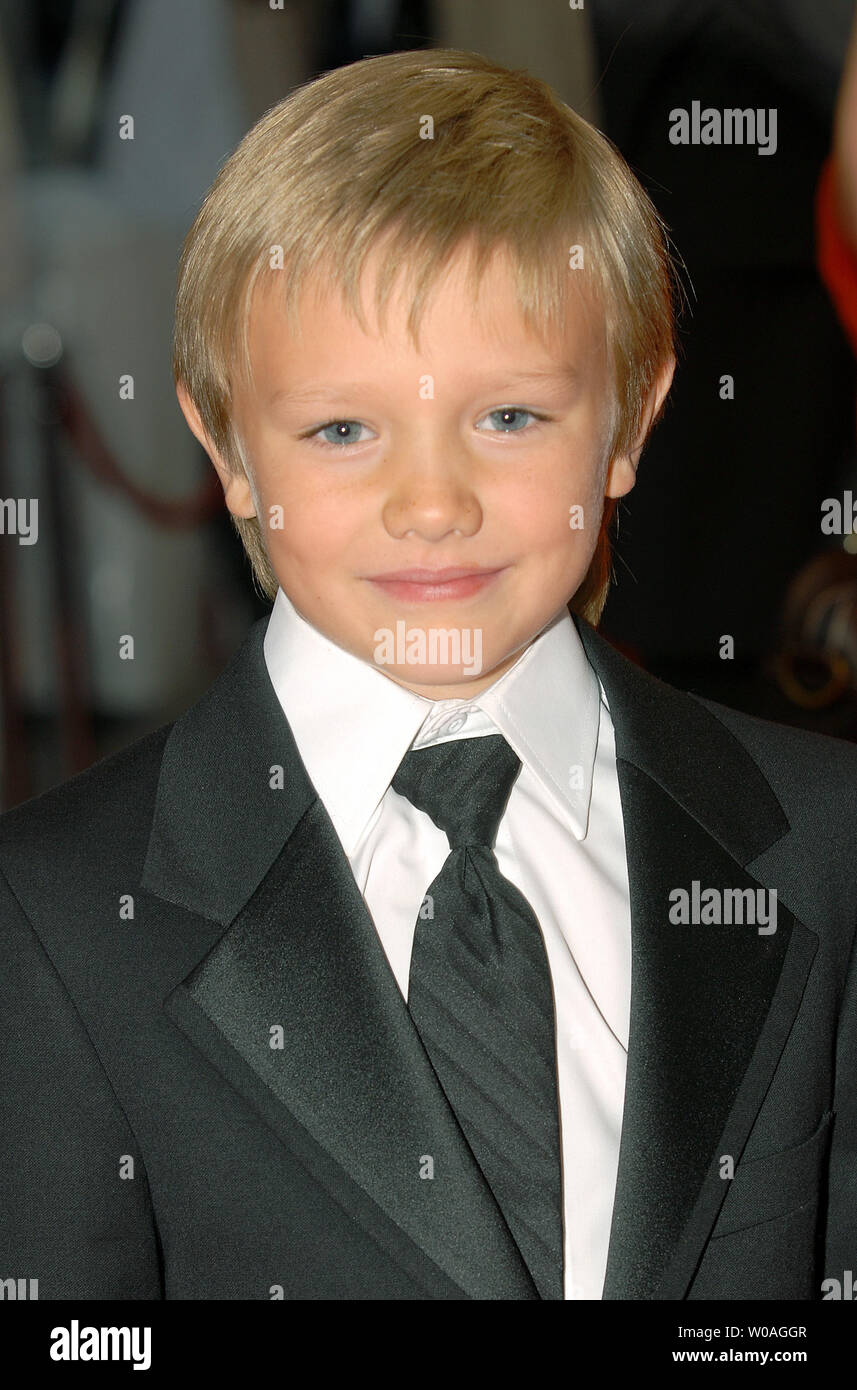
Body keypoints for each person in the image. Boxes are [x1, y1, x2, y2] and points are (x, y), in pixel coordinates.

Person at [2, 48, 855, 1302]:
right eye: (341, 430)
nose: (432, 505)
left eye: (506, 416)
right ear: (228, 447)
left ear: (627, 416)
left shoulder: (822, 840)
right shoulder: (55, 917)